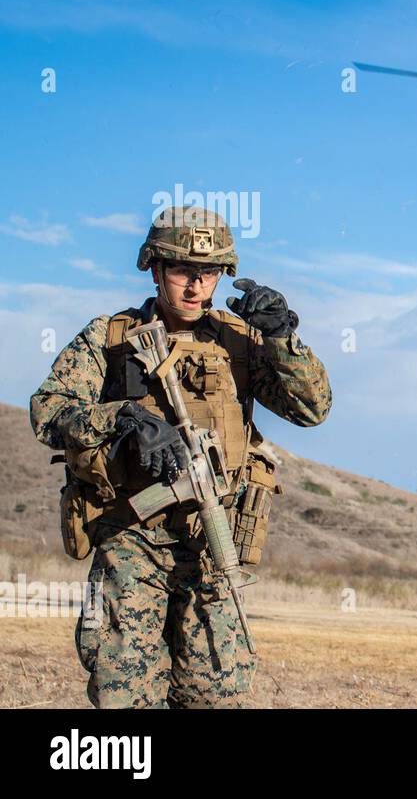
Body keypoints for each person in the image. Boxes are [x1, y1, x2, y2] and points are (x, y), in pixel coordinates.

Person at [30, 205, 332, 708]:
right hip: (131, 541)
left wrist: (282, 338)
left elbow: (312, 408)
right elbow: (48, 411)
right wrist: (122, 419)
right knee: (124, 696)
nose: (194, 286)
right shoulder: (110, 339)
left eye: (208, 273)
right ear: (154, 269)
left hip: (214, 545)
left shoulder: (241, 342)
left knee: (215, 694)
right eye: (181, 272)